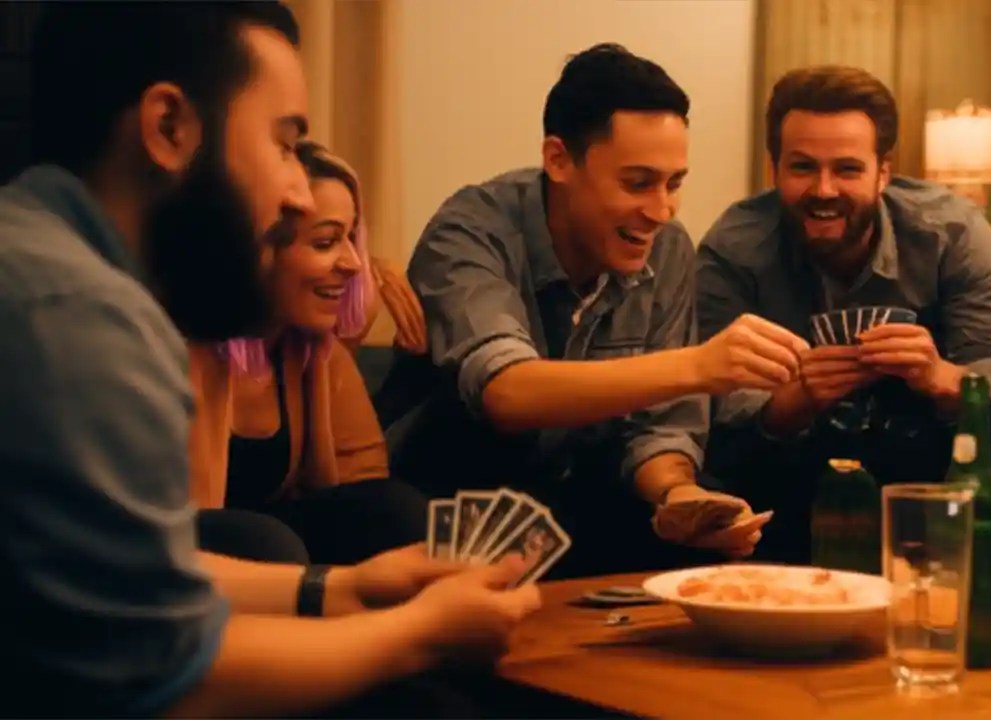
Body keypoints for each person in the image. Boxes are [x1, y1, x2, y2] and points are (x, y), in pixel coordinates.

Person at [1, 4, 537, 717]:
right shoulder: (80, 312)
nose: (293, 192)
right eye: (285, 145)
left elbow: (135, 572)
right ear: (169, 128)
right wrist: (422, 631)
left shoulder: (34, 245)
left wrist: (339, 590)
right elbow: (164, 678)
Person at [390, 43, 805, 576]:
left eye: (674, 183)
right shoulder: (471, 230)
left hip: (577, 496)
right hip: (450, 491)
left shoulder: (668, 247)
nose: (661, 211)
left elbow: (660, 431)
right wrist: (698, 366)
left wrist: (678, 496)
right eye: (637, 183)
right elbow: (507, 391)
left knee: (734, 534)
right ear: (559, 160)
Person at [695, 66, 991, 562]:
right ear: (773, 170)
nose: (825, 189)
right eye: (802, 167)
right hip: (786, 475)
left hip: (927, 458)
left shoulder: (952, 231)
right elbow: (715, 409)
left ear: (883, 172)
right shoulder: (734, 248)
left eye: (847, 169)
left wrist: (937, 375)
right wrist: (796, 399)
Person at [191, 140, 429, 566]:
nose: (355, 263)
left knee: (400, 512)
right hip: (188, 552)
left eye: (352, 239)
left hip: (278, 542)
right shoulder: (190, 348)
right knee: (267, 543)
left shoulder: (313, 352)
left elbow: (364, 485)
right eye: (325, 242)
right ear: (261, 249)